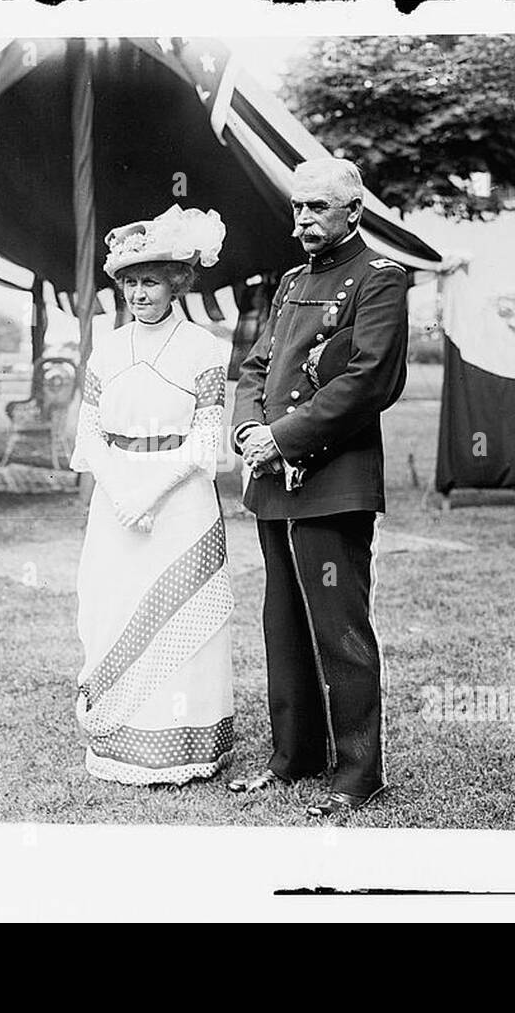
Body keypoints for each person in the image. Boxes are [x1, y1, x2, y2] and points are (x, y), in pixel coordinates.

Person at [228, 158, 411, 819]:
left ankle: (360, 771)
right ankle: (293, 755)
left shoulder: (381, 280)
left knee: (340, 631)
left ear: (353, 212)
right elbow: (255, 365)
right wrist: (251, 426)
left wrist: (285, 436)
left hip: (335, 482)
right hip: (274, 480)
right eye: (298, 207)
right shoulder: (291, 281)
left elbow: (368, 381)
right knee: (284, 625)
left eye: (316, 208)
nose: (302, 219)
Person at [70, 205, 235, 786]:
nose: (140, 293)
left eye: (152, 281)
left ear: (177, 283)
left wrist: (150, 494)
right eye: (132, 282)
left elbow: (206, 440)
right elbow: (89, 434)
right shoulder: (107, 349)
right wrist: (121, 492)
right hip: (117, 498)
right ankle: (118, 735)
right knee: (111, 607)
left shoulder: (204, 349)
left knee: (181, 616)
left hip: (180, 500)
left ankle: (184, 742)